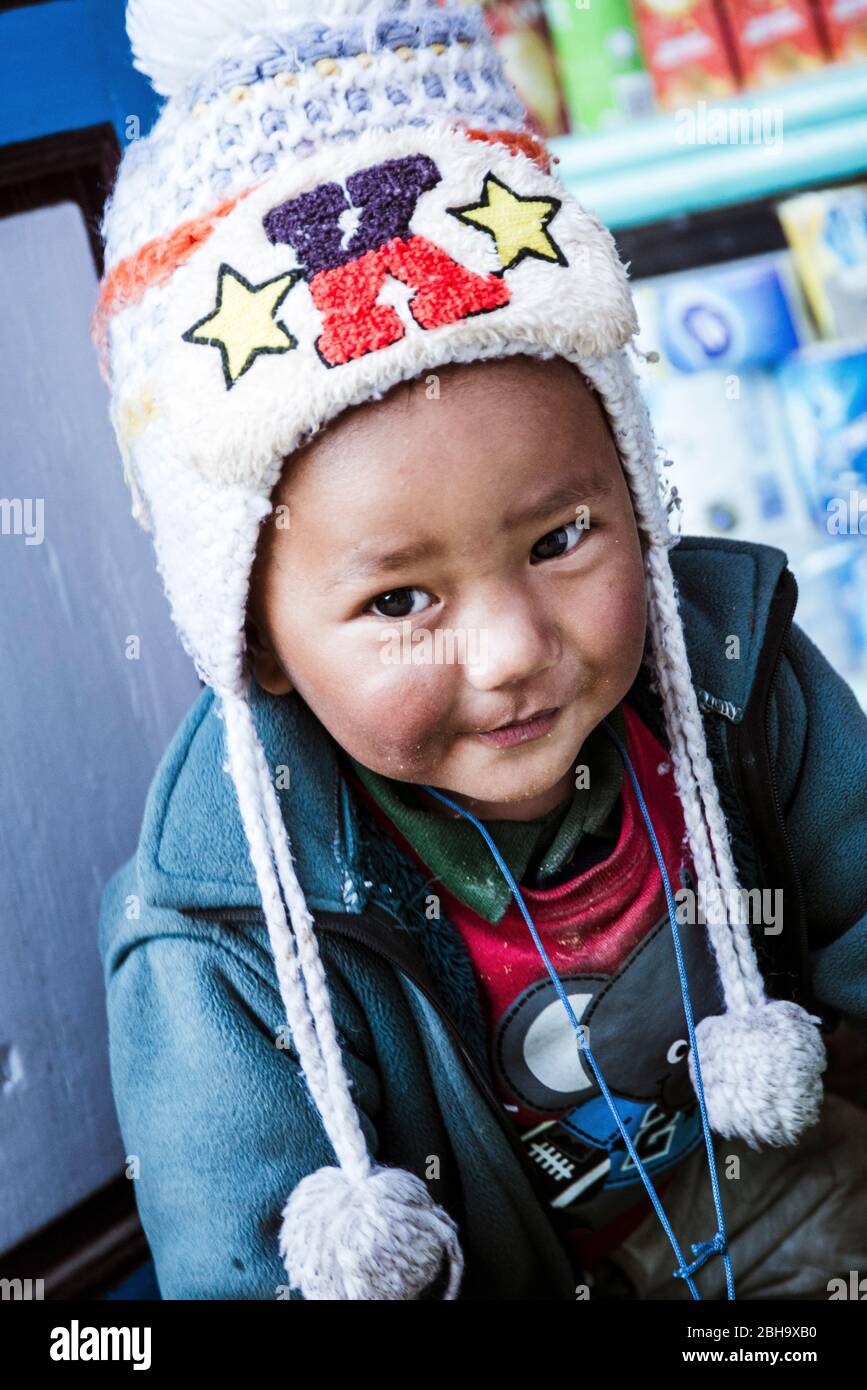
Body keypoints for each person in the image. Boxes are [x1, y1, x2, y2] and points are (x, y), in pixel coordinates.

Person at [93, 0, 867, 1300]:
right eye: (400, 601)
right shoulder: (211, 927)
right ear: (256, 637)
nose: (513, 650)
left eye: (564, 535)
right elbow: (241, 1270)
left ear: (637, 488)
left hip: (759, 1198)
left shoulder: (742, 670)